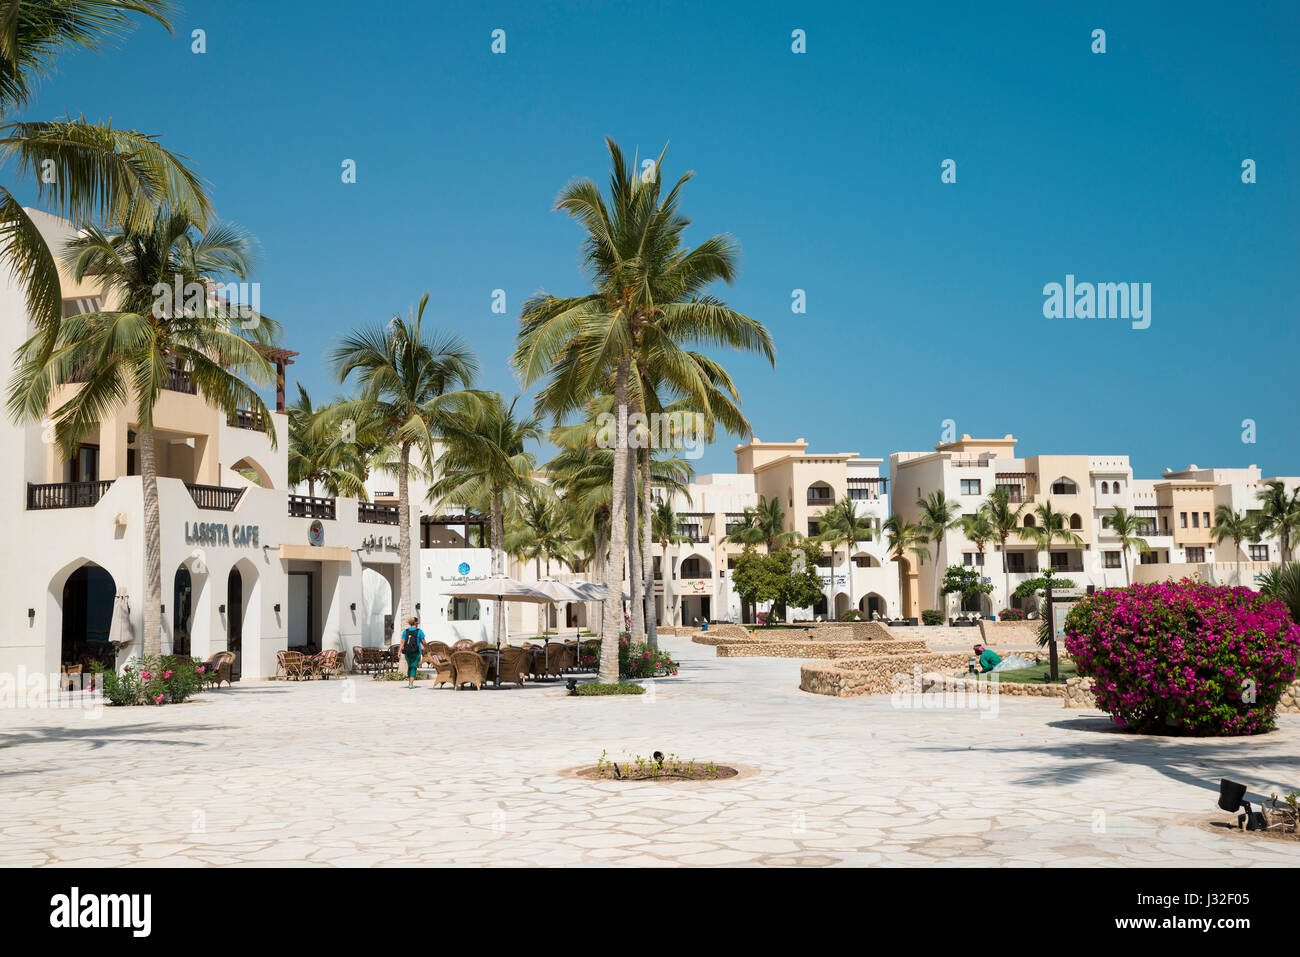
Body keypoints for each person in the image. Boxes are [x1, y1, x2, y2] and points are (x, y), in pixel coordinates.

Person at [400, 617, 425, 688]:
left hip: (407, 652)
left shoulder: (406, 631)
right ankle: (411, 684)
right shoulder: (419, 631)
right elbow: (423, 641)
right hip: (416, 652)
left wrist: (399, 652)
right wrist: (427, 648)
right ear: (416, 623)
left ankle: (410, 682)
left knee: (410, 666)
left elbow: (402, 642)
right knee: (414, 667)